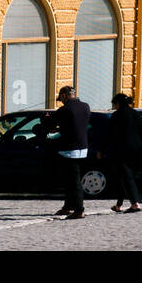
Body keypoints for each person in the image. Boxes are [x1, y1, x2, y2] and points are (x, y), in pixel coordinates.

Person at [48, 85, 91, 220]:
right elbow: (74, 125)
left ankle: (79, 209)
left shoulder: (64, 109)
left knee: (73, 181)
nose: (61, 101)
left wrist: (47, 118)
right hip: (83, 148)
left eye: (61, 98)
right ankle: (68, 206)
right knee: (71, 180)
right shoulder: (85, 106)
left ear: (65, 96)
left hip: (69, 149)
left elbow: (50, 124)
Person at [104, 92, 142, 214]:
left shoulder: (117, 116)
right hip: (136, 150)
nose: (114, 106)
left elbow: (109, 135)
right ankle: (119, 204)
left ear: (118, 103)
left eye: (114, 104)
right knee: (124, 177)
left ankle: (135, 203)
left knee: (125, 177)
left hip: (120, 151)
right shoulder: (135, 114)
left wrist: (103, 150)